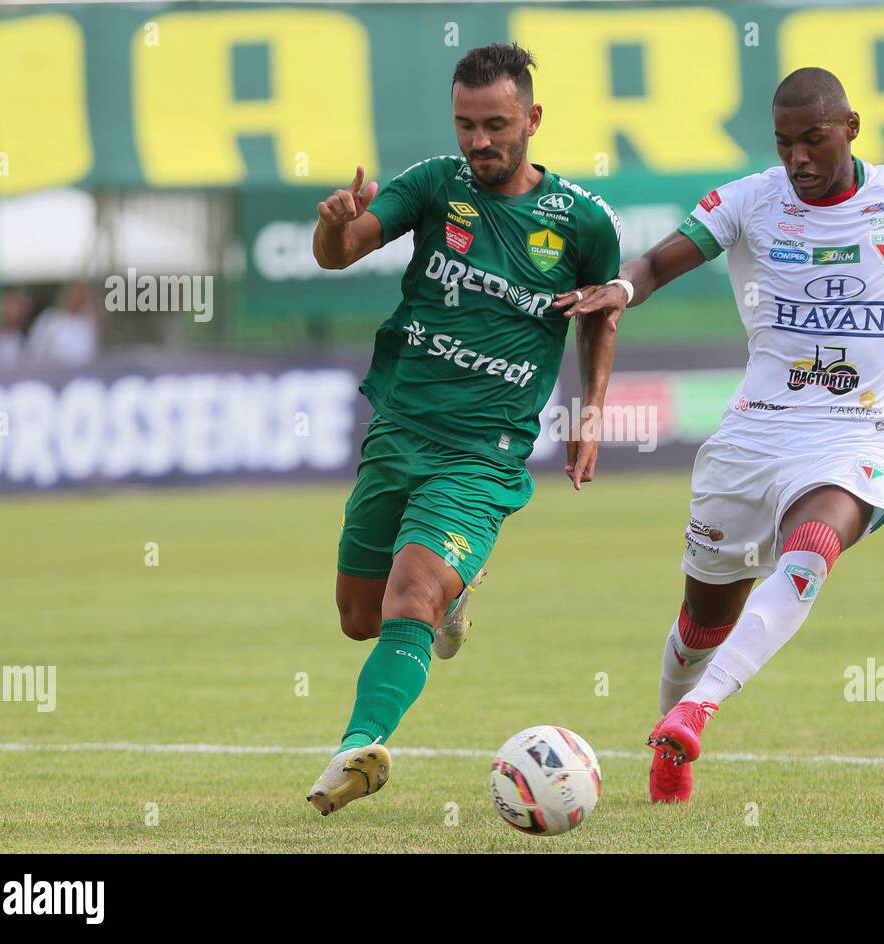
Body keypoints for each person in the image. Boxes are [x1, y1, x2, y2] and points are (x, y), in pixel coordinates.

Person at [553, 67, 884, 803]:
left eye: (813, 140)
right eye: (784, 144)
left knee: (811, 555)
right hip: (753, 439)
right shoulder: (750, 200)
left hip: (858, 435)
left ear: (852, 128)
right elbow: (655, 263)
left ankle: (696, 712)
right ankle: (669, 735)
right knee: (703, 620)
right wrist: (618, 290)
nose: (798, 159)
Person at [305, 43, 623, 815]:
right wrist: (335, 228)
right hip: (401, 429)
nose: (479, 142)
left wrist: (589, 412)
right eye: (466, 125)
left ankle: (360, 745)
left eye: (497, 125)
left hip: (486, 453)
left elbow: (601, 313)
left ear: (533, 120)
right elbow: (341, 254)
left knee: (407, 595)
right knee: (359, 617)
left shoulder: (582, 221)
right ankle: (454, 602)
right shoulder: (432, 188)